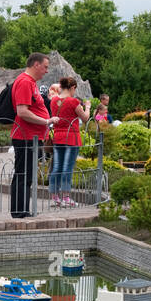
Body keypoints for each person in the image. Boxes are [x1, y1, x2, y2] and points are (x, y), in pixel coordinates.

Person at [10, 53, 53, 218]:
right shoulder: (24, 82)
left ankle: (22, 210)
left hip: (32, 137)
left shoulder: (31, 83)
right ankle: (19, 212)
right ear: (36, 64)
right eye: (45, 67)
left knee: (27, 174)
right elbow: (22, 112)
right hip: (25, 136)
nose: (46, 71)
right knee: (23, 174)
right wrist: (46, 121)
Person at [49, 77, 89, 207]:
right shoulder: (74, 102)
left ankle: (55, 197)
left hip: (58, 137)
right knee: (67, 168)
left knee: (56, 167)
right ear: (72, 87)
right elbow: (85, 118)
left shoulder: (54, 100)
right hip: (71, 138)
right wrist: (87, 107)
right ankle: (66, 197)